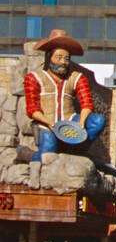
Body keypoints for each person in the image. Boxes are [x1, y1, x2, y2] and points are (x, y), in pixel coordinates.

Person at [23, 28, 107, 186]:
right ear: (50, 58)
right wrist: (49, 123)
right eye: (59, 57)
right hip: (46, 124)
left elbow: (87, 103)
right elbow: (32, 109)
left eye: (66, 59)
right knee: (47, 153)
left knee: (98, 121)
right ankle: (29, 156)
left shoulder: (76, 78)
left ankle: (77, 150)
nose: (63, 62)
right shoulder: (34, 78)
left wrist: (81, 123)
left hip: (70, 121)